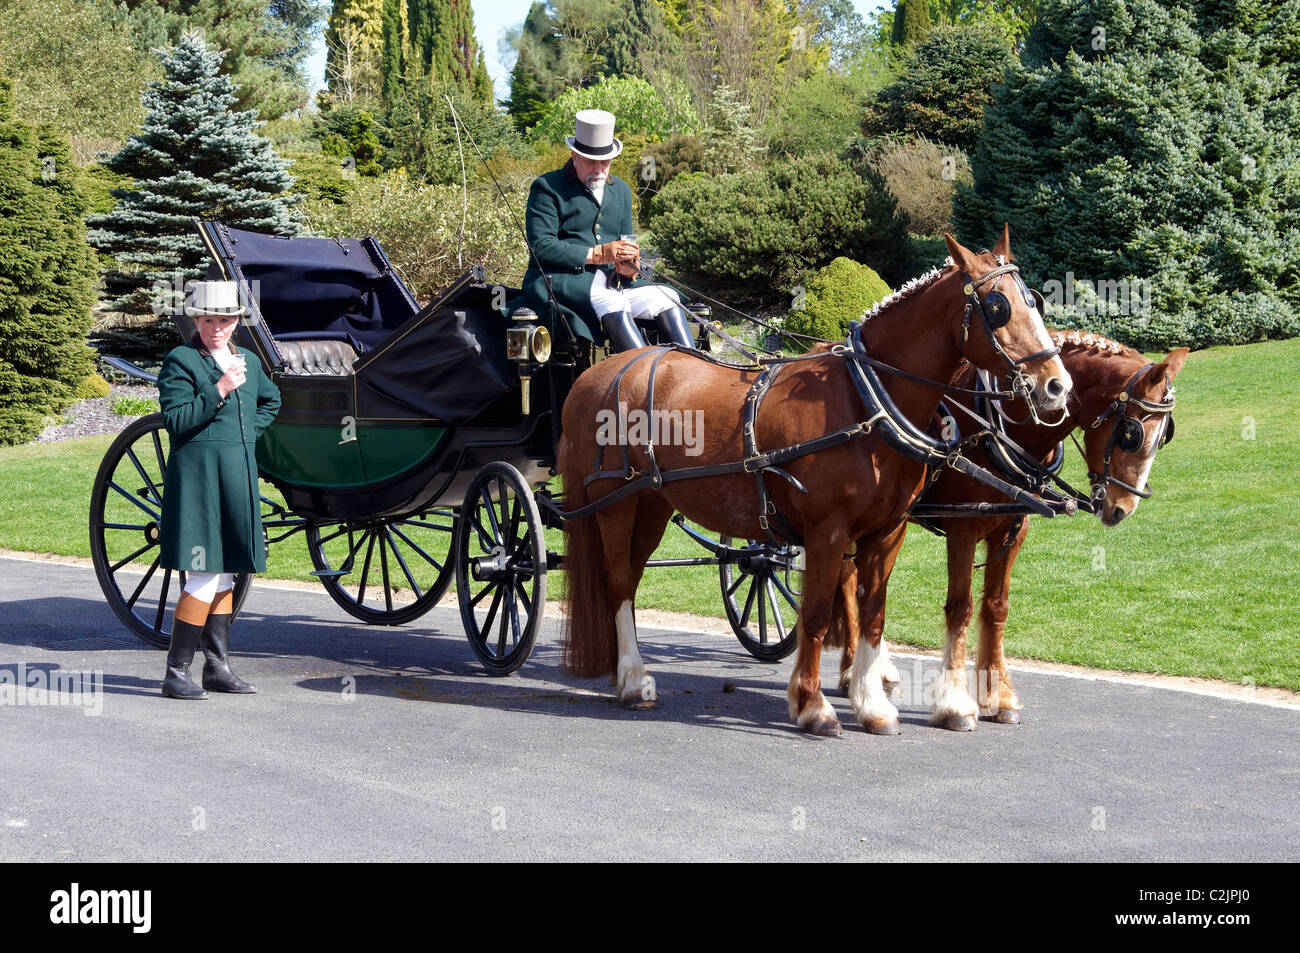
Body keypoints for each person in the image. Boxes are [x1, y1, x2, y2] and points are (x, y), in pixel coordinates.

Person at [157, 281, 281, 699]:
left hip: (236, 473)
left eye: (225, 320)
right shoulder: (182, 360)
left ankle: (217, 668)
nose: (216, 328)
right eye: (208, 319)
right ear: (196, 319)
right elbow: (176, 420)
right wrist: (220, 389)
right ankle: (176, 672)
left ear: (236, 323)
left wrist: (245, 436)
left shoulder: (248, 360)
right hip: (198, 477)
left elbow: (271, 401)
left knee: (225, 571)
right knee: (205, 571)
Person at [522, 109, 695, 351]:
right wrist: (598, 254)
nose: (600, 168)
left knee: (667, 298)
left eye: (605, 162)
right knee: (612, 301)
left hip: (614, 283)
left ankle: (690, 370)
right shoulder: (547, 187)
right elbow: (541, 247)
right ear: (575, 156)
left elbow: (627, 241)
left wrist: (628, 268)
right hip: (562, 281)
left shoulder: (621, 190)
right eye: (592, 161)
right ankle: (641, 382)